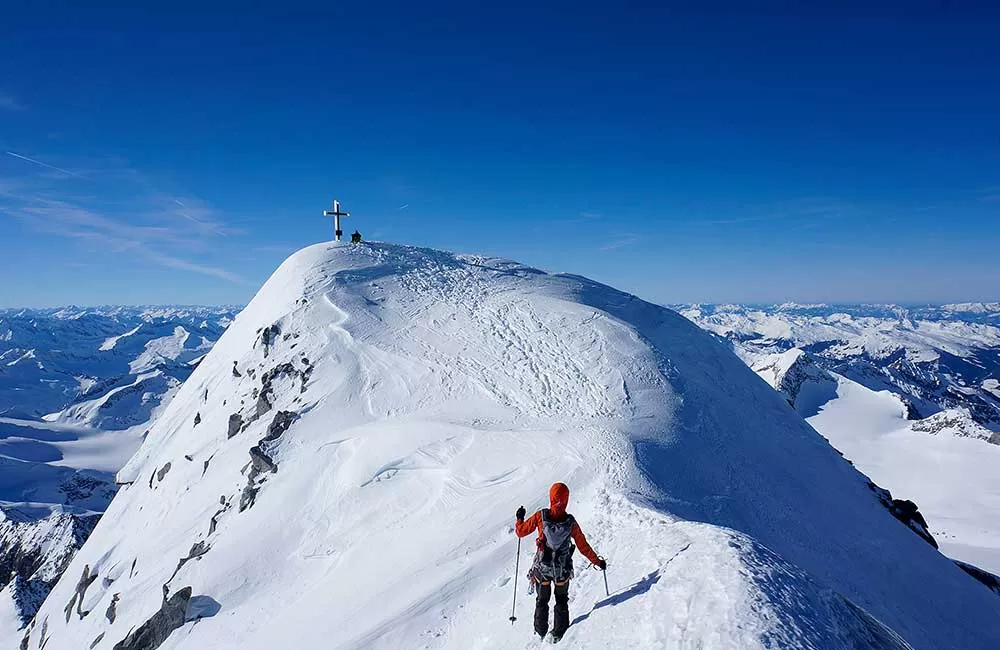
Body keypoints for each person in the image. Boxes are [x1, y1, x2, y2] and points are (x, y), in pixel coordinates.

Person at [515, 482, 606, 642]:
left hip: (543, 569)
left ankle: (540, 632)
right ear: (566, 500)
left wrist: (519, 518)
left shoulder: (541, 516)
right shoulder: (570, 522)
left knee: (542, 600)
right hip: (562, 571)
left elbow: (520, 532)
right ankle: (559, 633)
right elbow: (583, 547)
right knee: (561, 600)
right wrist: (598, 562)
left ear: (551, 498)